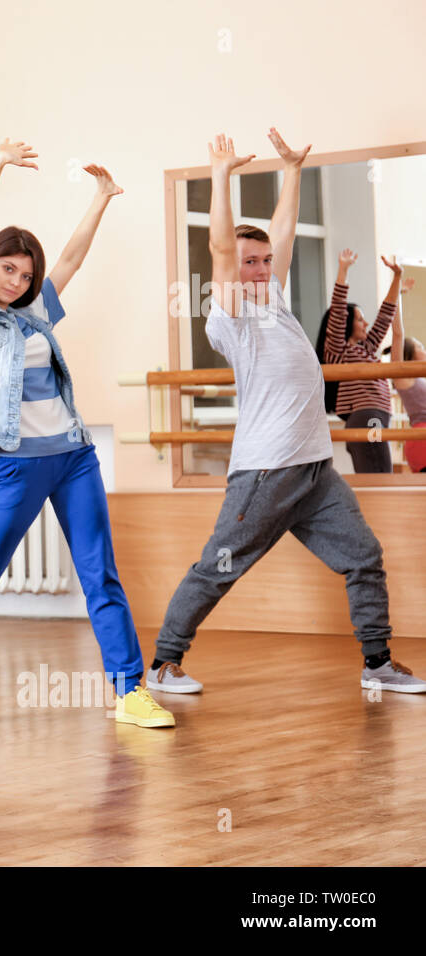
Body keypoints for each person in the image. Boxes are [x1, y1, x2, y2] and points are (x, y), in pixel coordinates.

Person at [150, 130, 425, 695]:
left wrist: (293, 170)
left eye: (265, 262)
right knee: (218, 568)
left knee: (364, 556)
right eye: (249, 262)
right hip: (267, 472)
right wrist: (221, 177)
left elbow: (282, 233)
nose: (259, 268)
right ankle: (161, 664)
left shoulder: (271, 297)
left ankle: (377, 662)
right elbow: (222, 250)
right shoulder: (229, 314)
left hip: (315, 468)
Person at [0, 139, 174, 733]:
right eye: (7, 268)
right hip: (16, 465)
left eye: (26, 274)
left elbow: (73, 259)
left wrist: (101, 198)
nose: (17, 280)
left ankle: (129, 691)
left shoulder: (35, 314)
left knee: (100, 574)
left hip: (74, 458)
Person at [316, 248, 400, 472]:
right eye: (360, 320)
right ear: (346, 325)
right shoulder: (339, 351)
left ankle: (374, 508)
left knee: (379, 471)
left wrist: (397, 277)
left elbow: (385, 316)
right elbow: (338, 311)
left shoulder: (367, 349)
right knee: (380, 473)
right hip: (368, 416)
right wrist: (343, 270)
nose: (366, 324)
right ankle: (376, 509)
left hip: (377, 417)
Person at [386, 272, 426, 471]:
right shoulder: (405, 378)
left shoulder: (421, 376)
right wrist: (398, 295)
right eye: (420, 346)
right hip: (421, 441)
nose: (424, 349)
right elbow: (398, 334)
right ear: (410, 353)